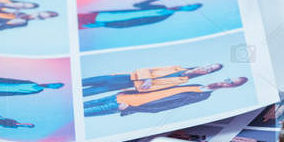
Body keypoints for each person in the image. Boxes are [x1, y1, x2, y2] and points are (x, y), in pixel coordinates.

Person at [82, 76, 249, 118]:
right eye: (228, 79)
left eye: (230, 84)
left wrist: (131, 109)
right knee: (73, 108)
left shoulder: (201, 96)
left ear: (230, 88)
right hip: (121, 94)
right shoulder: (194, 84)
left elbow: (164, 106)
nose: (224, 83)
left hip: (123, 104)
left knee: (79, 115)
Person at [77, 0, 209, 29]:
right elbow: (138, 5)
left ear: (188, 11)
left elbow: (131, 24)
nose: (186, 7)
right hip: (104, 14)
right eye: (189, 5)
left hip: (105, 21)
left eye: (190, 8)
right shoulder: (160, 5)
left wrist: (104, 25)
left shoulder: (164, 17)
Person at [80, 63, 220, 97]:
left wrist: (145, 84)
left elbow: (153, 88)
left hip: (128, 85)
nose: (206, 69)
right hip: (124, 76)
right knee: (81, 82)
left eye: (210, 70)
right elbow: (145, 69)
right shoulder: (176, 67)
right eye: (209, 66)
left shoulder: (182, 80)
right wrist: (147, 78)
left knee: (86, 93)